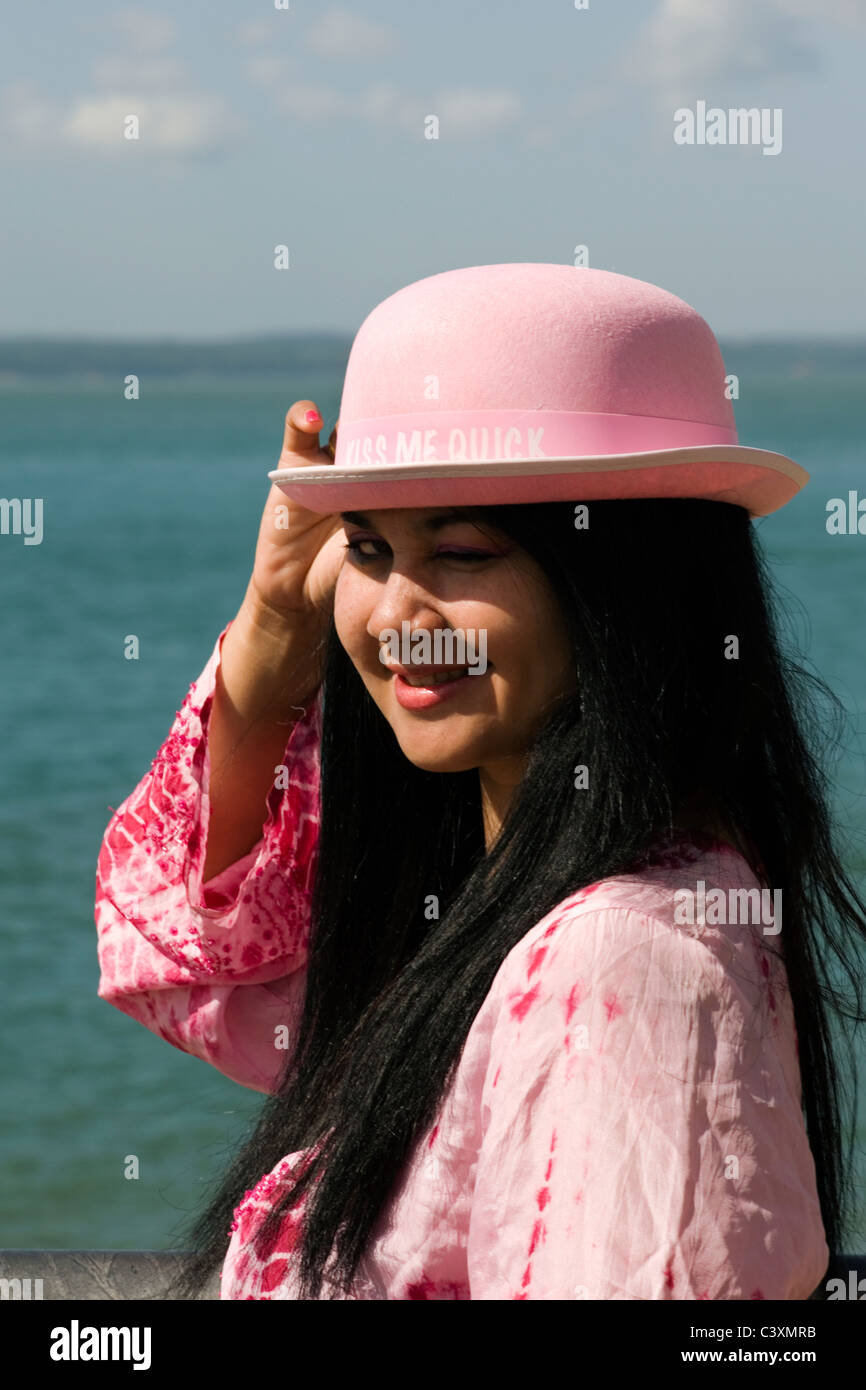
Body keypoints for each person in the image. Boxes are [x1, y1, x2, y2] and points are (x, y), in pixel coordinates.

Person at [94, 265, 866, 1300]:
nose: (393, 611)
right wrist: (277, 628)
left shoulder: (619, 964)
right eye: (365, 549)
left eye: (459, 550)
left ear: (627, 583)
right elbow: (179, 962)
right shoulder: (495, 905)